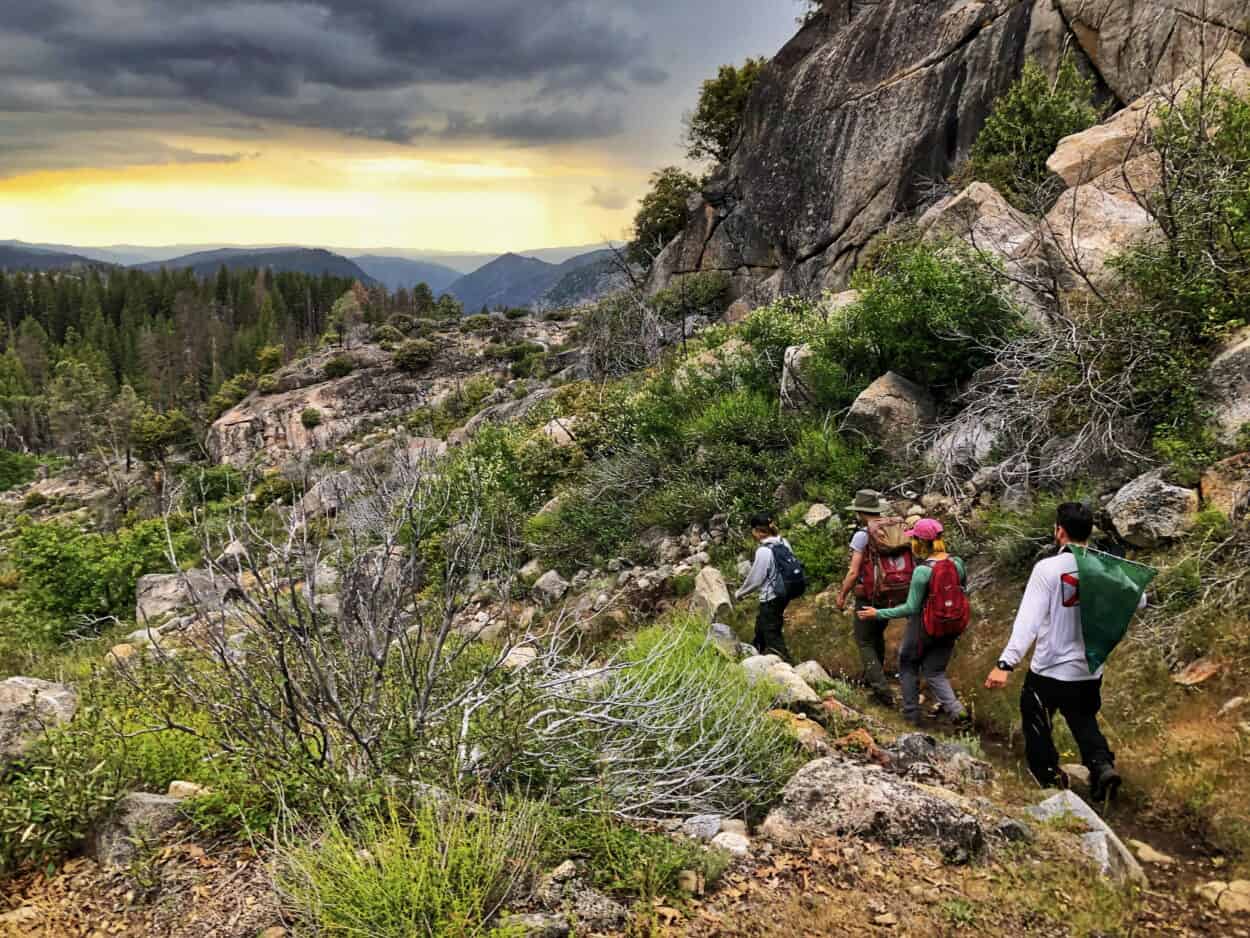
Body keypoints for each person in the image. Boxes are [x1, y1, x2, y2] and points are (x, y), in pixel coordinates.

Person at [983, 502, 1143, 801]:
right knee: (1083, 719)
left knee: (1036, 719)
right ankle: (1101, 766)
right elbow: (1140, 598)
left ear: (1059, 531)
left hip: (1050, 668)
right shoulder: (1104, 566)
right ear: (1089, 532)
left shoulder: (1048, 569)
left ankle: (1048, 781)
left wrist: (1006, 664)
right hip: (1089, 668)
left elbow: (1028, 621)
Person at [858, 518, 970, 726]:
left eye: (914, 540)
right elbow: (963, 592)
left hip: (925, 626)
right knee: (935, 671)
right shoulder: (957, 563)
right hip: (952, 625)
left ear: (920, 542)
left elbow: (911, 608)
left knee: (907, 662)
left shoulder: (923, 571)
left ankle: (911, 716)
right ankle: (958, 713)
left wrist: (878, 613)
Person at [835, 489, 902, 706]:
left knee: (864, 641)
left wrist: (842, 594)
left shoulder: (863, 535)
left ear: (861, 512)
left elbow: (854, 572)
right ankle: (876, 677)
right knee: (876, 636)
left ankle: (881, 690)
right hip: (891, 592)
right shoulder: (892, 528)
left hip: (869, 595)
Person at [735, 513, 793, 662]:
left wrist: (740, 593)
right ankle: (754, 656)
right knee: (761, 627)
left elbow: (756, 579)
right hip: (784, 593)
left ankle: (788, 665)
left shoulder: (764, 550)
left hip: (771, 596)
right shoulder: (783, 542)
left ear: (756, 531)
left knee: (771, 632)